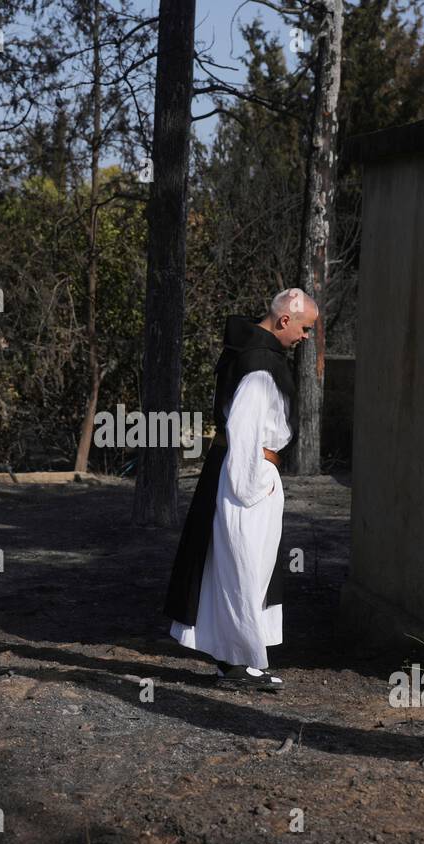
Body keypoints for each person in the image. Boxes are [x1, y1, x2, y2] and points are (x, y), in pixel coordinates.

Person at [163, 288, 318, 691]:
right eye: (305, 328)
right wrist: (253, 487)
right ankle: (238, 663)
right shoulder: (261, 365)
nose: (306, 337)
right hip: (245, 474)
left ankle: (235, 660)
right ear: (284, 320)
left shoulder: (250, 351)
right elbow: (244, 428)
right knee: (243, 568)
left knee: (235, 567)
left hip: (237, 470)